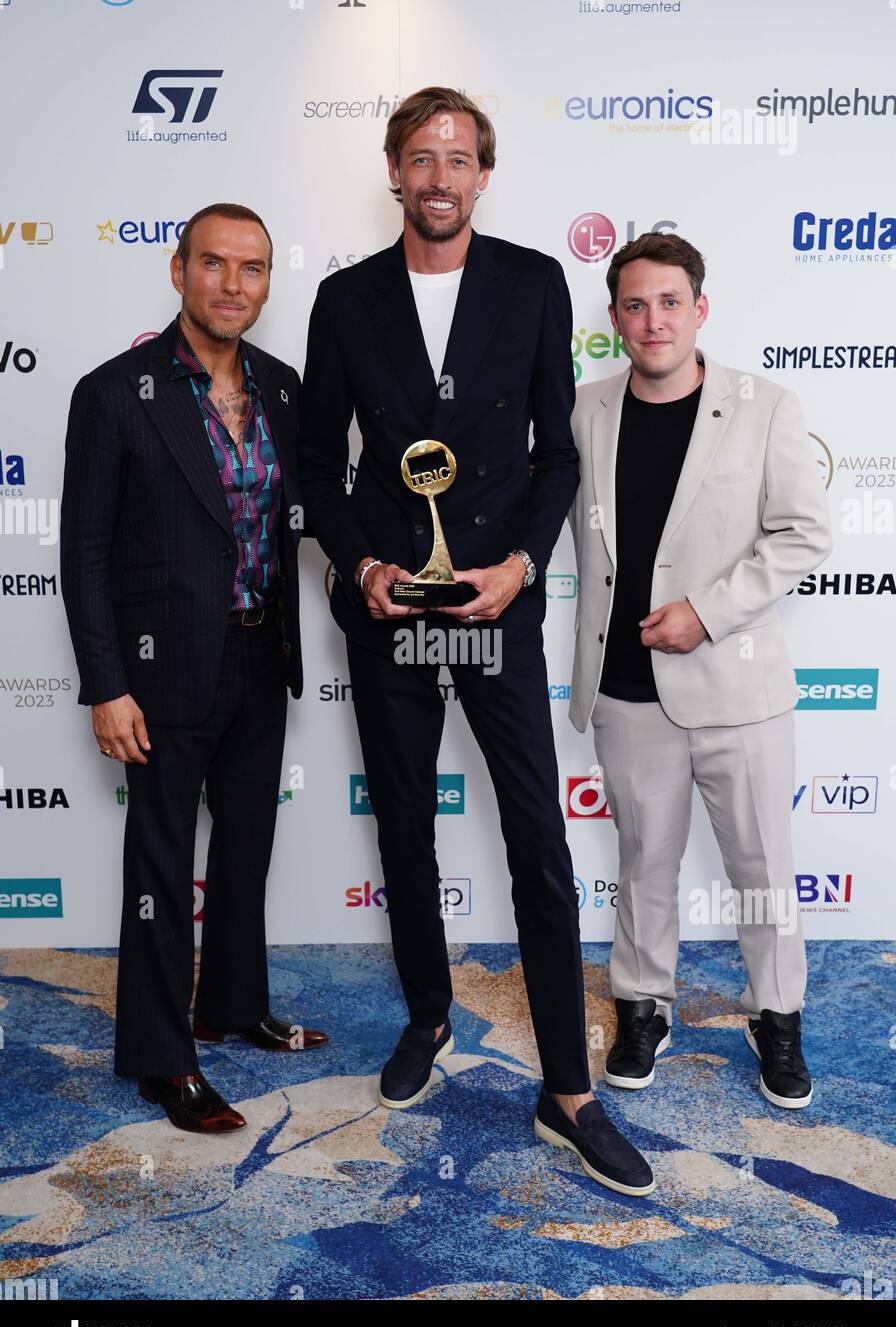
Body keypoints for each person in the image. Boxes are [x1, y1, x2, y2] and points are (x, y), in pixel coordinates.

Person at [298, 87, 654, 1196]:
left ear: (482, 174)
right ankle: (426, 1018)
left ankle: (566, 1091)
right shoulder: (345, 298)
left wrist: (516, 567)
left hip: (497, 609)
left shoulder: (533, 282)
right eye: (421, 156)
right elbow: (318, 468)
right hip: (388, 612)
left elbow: (557, 454)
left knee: (537, 845)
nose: (440, 175)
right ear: (394, 171)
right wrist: (360, 568)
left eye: (459, 157)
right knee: (402, 830)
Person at [61, 203, 327, 1135]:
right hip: (160, 669)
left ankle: (231, 1005)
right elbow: (84, 552)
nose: (233, 285)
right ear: (178, 271)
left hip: (264, 654)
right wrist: (105, 683)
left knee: (246, 852)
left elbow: (319, 511)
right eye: (214, 264)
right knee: (162, 869)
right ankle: (162, 1059)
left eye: (252, 269)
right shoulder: (114, 392)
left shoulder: (287, 392)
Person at [569, 232, 832, 1109]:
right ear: (614, 319)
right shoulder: (585, 410)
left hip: (737, 692)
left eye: (670, 302)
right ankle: (643, 1006)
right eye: (635, 305)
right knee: (643, 860)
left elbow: (802, 533)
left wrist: (707, 613)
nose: (654, 321)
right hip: (626, 688)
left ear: (700, 309)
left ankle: (777, 1017)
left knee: (761, 868)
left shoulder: (765, 406)